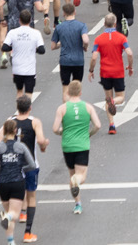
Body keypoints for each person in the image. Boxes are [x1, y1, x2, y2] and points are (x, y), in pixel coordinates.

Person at [51, 81, 100, 216]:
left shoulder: (62, 108)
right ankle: (76, 182)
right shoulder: (88, 107)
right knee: (81, 176)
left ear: (68, 92)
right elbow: (98, 125)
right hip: (82, 144)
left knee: (71, 173)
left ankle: (77, 204)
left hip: (67, 146)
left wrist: (62, 131)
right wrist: (89, 133)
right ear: (80, 93)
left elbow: (55, 129)